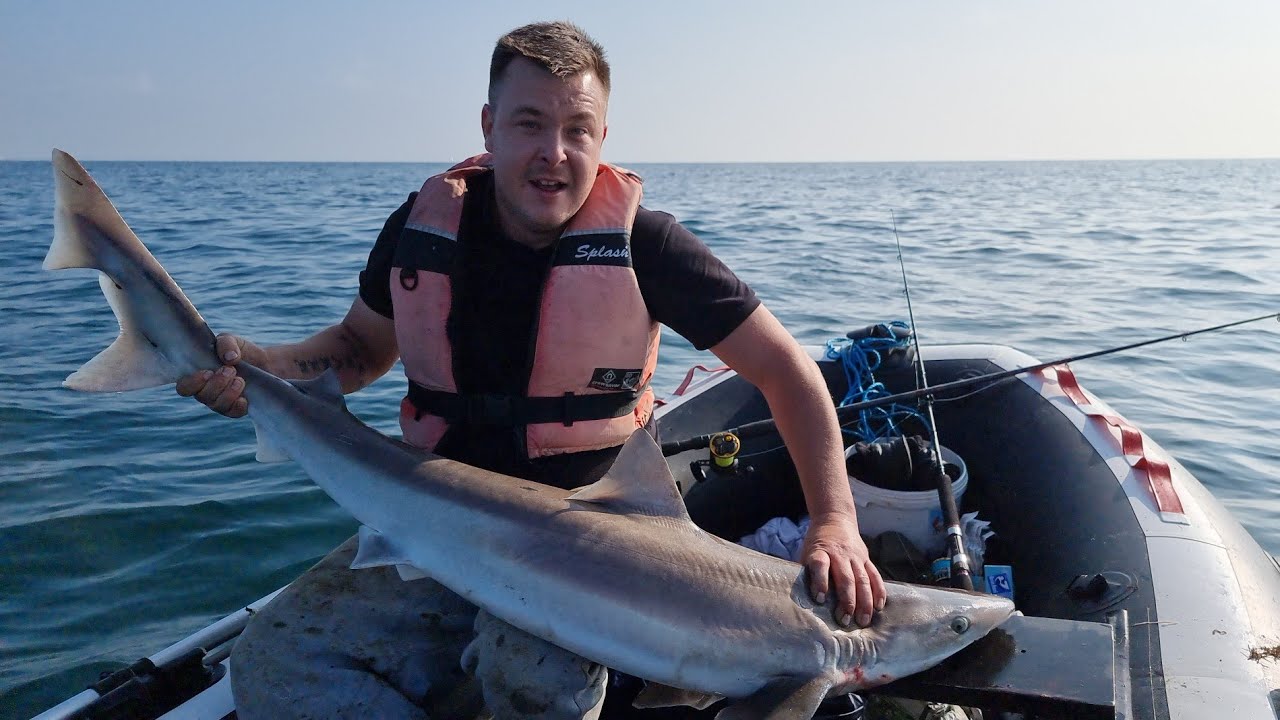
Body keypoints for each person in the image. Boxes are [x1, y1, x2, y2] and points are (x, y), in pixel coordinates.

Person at [178, 20, 887, 719]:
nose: (555, 152)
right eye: (529, 124)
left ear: (602, 139)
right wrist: (260, 367)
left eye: (578, 129)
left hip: (589, 535)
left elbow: (787, 371)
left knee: (533, 682)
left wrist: (835, 521)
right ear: (489, 127)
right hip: (436, 517)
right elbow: (359, 350)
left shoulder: (648, 245)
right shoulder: (424, 227)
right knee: (273, 662)